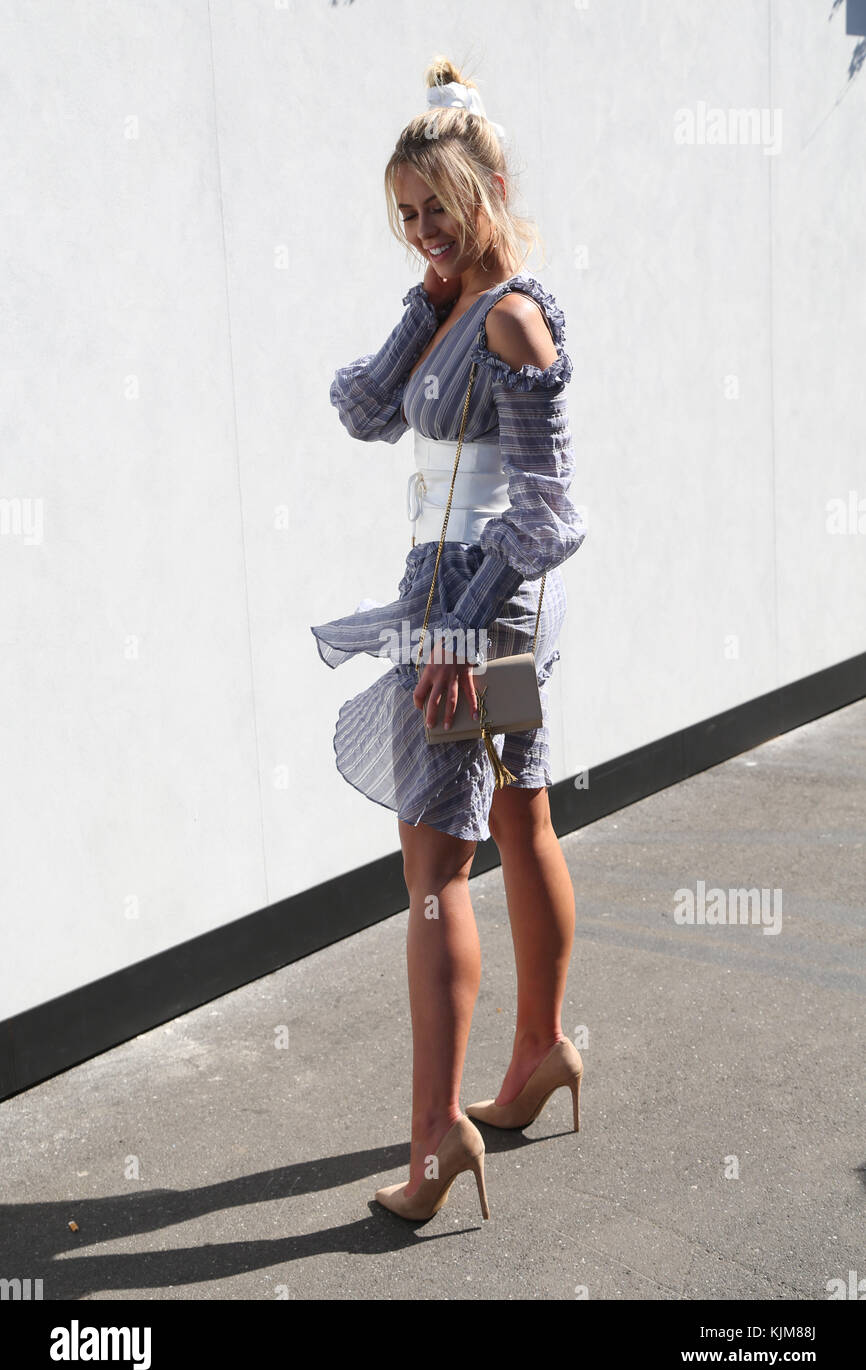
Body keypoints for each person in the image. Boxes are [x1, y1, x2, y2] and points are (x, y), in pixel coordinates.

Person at [310, 56, 587, 1222]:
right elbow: (367, 409)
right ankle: (536, 1058)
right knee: (518, 817)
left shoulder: (515, 320)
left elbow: (548, 509)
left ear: (491, 189)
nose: (422, 231)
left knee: (435, 871)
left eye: (439, 208)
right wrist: (422, 302)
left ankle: (436, 1143)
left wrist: (452, 641)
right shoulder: (448, 310)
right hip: (465, 611)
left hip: (471, 612)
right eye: (407, 214)